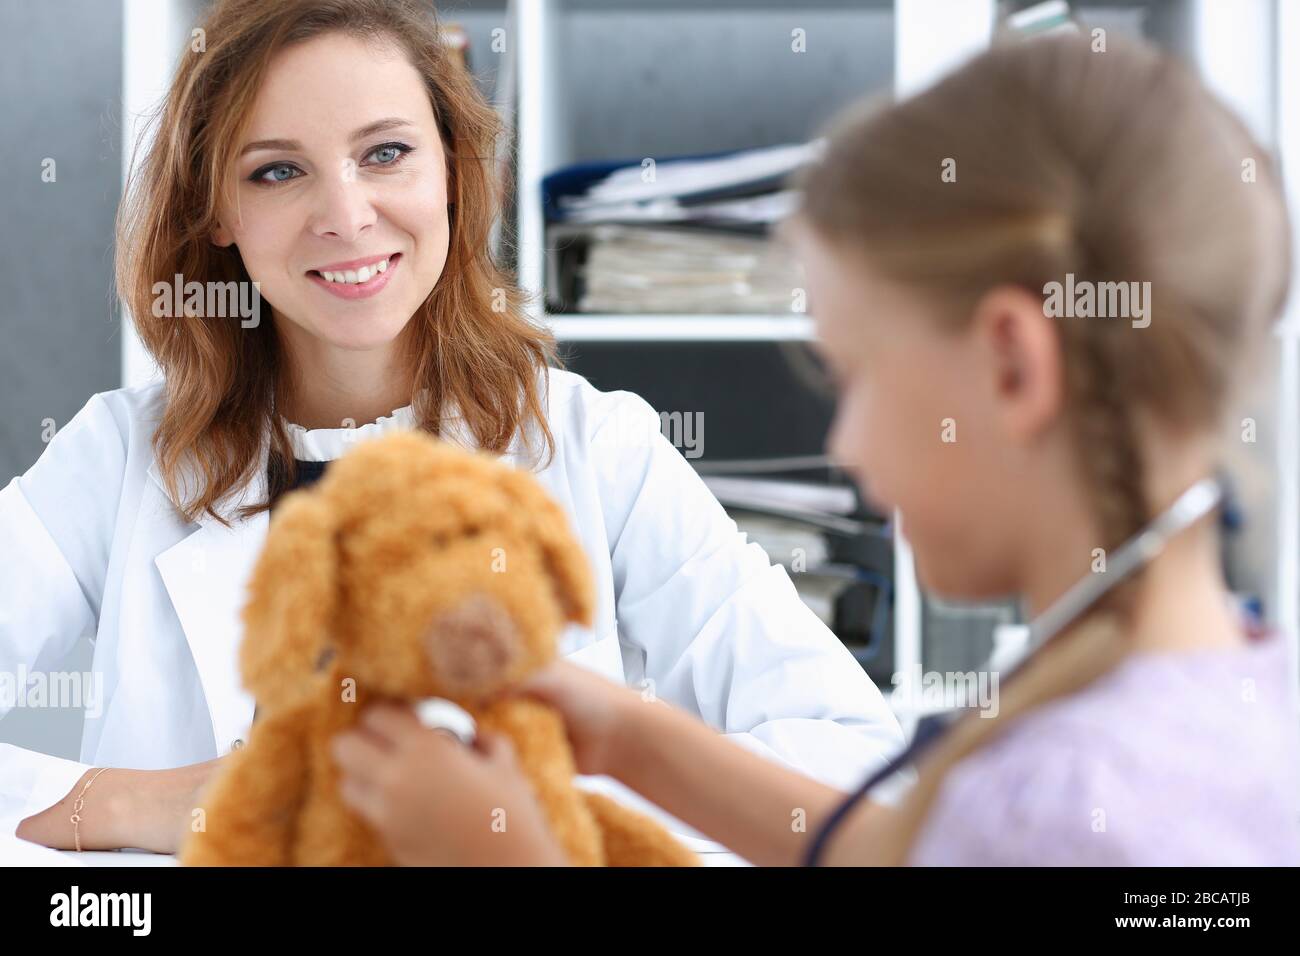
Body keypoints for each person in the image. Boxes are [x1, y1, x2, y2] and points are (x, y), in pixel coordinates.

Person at [333, 31, 1300, 866]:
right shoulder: (1234, 697)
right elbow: (898, 856)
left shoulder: (1070, 809)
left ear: (1011, 366)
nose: (843, 443)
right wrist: (629, 738)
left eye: (856, 374)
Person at [2, 0, 903, 851]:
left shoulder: (595, 445)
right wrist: (142, 803)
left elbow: (850, 752)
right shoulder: (117, 458)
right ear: (218, 212)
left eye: (386, 153)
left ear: (456, 172)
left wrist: (515, 816)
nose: (347, 217)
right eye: (278, 170)